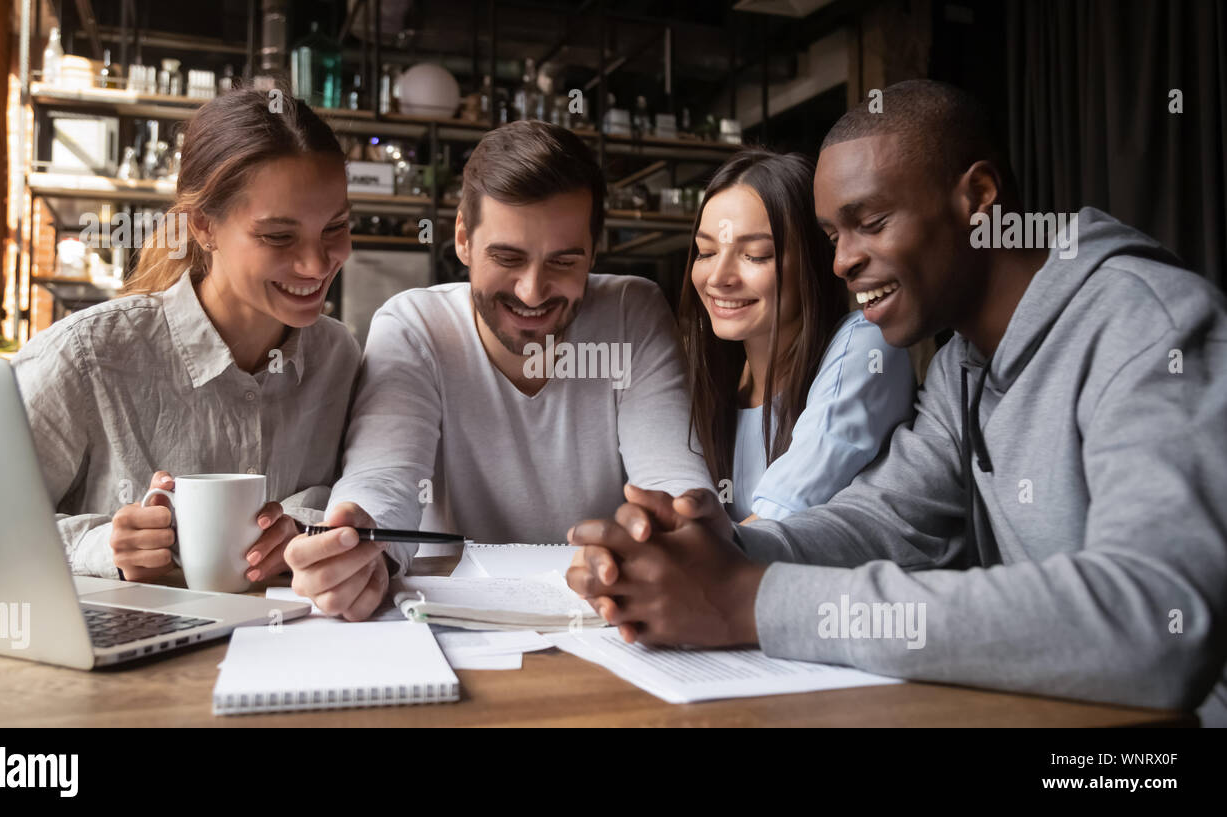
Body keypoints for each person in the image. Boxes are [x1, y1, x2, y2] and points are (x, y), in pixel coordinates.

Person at [565, 79, 1227, 724]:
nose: (841, 263)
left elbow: (1157, 618)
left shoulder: (1150, 327)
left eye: (870, 223)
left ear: (980, 198)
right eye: (831, 237)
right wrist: (726, 547)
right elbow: (886, 519)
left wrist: (753, 599)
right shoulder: (959, 365)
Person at [283, 120, 715, 621]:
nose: (532, 292)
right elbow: (384, 481)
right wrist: (360, 546)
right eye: (507, 257)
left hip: (604, 615)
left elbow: (673, 486)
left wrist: (676, 537)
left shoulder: (631, 312)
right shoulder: (415, 325)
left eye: (563, 262)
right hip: (453, 624)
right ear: (463, 240)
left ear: (593, 253)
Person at [14, 89, 361, 586]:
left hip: (290, 646)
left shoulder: (339, 357)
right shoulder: (88, 355)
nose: (316, 264)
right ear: (203, 226)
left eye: (336, 227)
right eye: (278, 237)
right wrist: (102, 544)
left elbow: (367, 502)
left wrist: (305, 534)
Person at [680, 148, 913, 522]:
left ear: (816, 261)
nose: (718, 277)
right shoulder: (707, 381)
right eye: (706, 252)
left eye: (755, 255)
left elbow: (782, 514)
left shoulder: (867, 344)